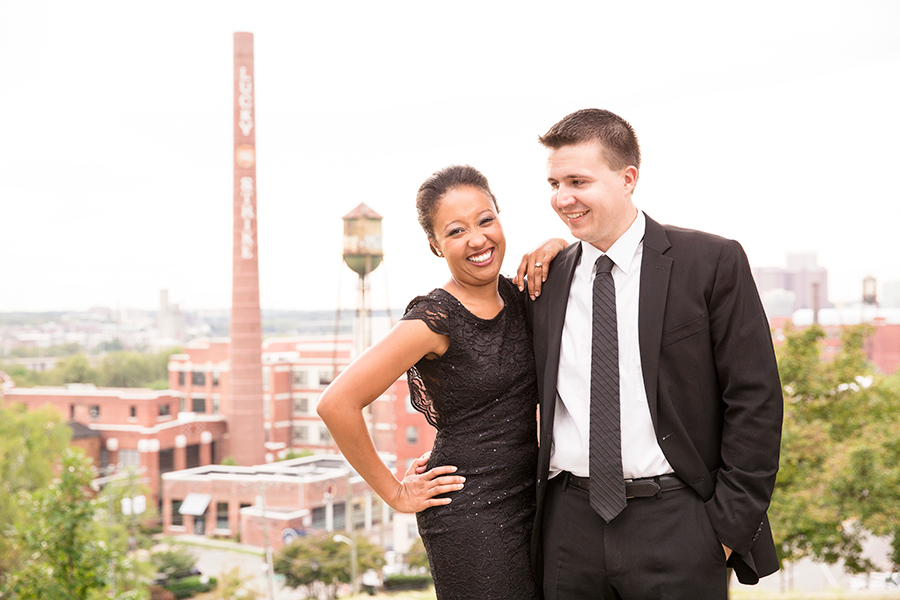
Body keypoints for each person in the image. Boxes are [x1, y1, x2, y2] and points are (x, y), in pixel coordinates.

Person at [519, 108, 784, 598]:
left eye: (578, 180)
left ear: (627, 179)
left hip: (678, 523)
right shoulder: (546, 278)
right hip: (568, 527)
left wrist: (725, 530)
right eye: (554, 183)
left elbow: (755, 399)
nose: (562, 198)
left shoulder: (710, 262)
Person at [318, 165, 558, 599]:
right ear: (435, 245)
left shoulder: (523, 296)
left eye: (486, 220)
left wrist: (559, 243)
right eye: (456, 231)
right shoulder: (434, 319)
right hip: (470, 515)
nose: (478, 239)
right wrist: (394, 492)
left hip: (538, 499)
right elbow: (336, 403)